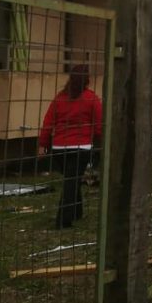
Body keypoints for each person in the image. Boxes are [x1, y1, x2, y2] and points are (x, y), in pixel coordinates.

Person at [39, 65, 103, 229]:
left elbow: (48, 123)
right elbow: (99, 126)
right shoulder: (91, 98)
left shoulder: (60, 98)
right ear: (87, 80)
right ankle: (63, 220)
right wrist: (99, 144)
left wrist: (43, 145)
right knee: (71, 181)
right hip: (81, 147)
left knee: (71, 178)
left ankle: (77, 211)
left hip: (59, 147)